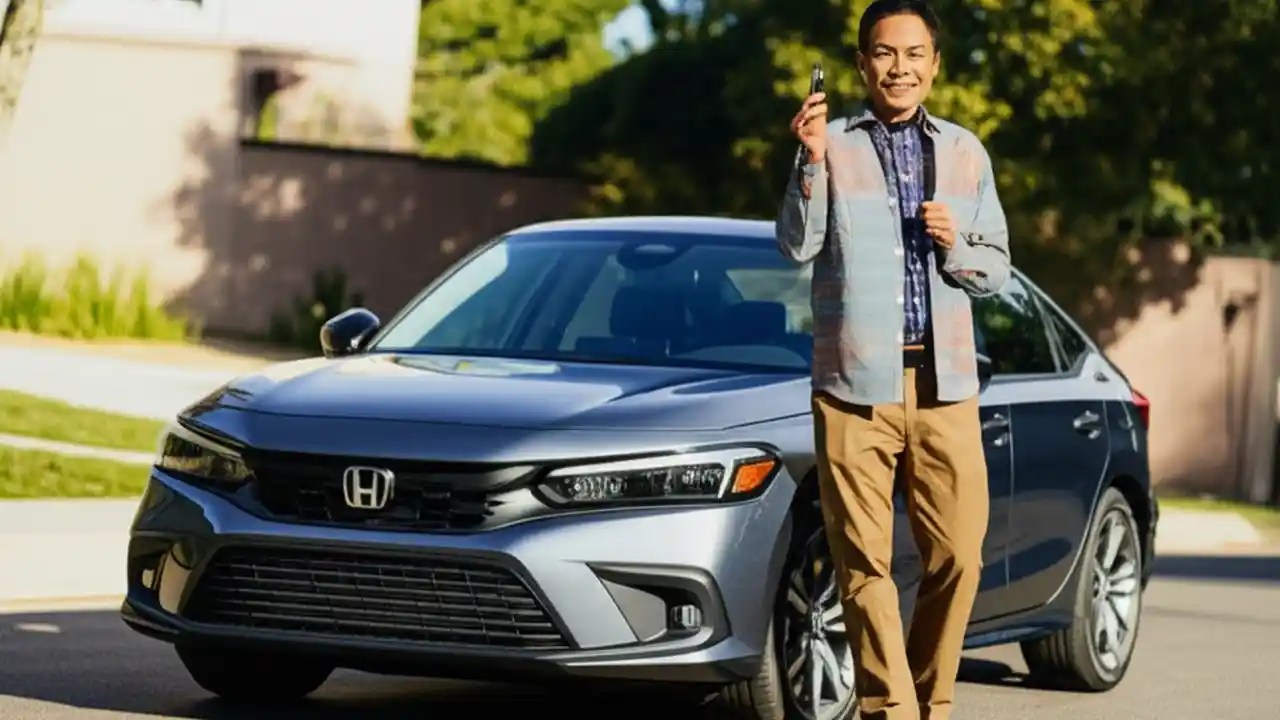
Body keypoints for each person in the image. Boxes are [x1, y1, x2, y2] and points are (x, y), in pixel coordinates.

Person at [775, 1, 1012, 719]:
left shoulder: (968, 153)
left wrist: (956, 246)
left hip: (947, 387)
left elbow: (996, 269)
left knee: (958, 558)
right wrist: (809, 162)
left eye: (914, 54)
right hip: (853, 387)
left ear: (935, 64)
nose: (899, 67)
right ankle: (892, 710)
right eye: (884, 53)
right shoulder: (831, 143)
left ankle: (929, 700)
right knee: (863, 567)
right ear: (861, 63)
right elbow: (795, 244)